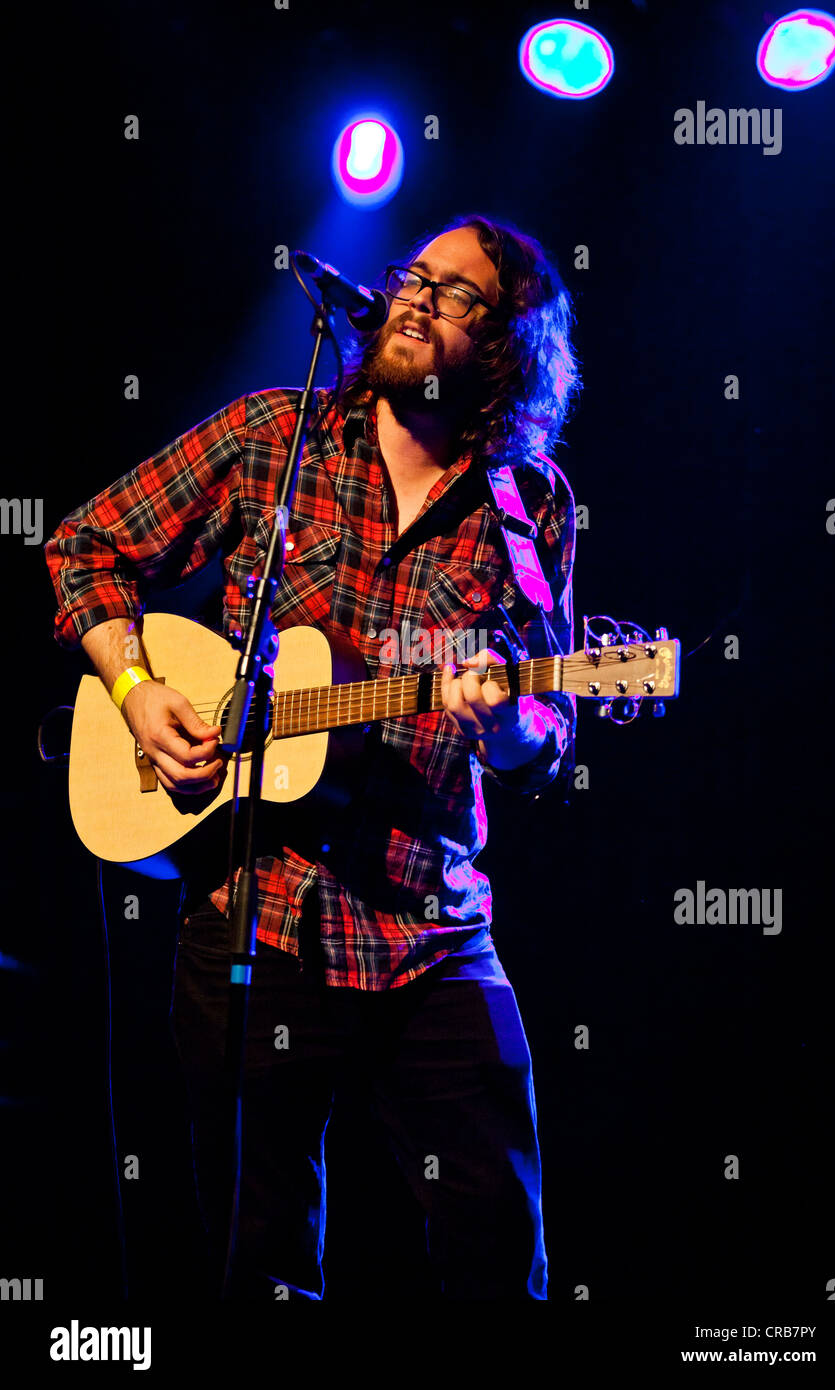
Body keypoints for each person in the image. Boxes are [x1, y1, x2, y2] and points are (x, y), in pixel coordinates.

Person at [44, 212, 580, 1300]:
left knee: (497, 1248)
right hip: (258, 904)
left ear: (508, 341)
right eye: (411, 277)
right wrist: (140, 693)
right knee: (260, 1256)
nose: (418, 299)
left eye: (458, 293)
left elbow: (547, 732)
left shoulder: (530, 510)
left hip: (429, 925)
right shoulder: (271, 438)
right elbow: (83, 547)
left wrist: (512, 723)